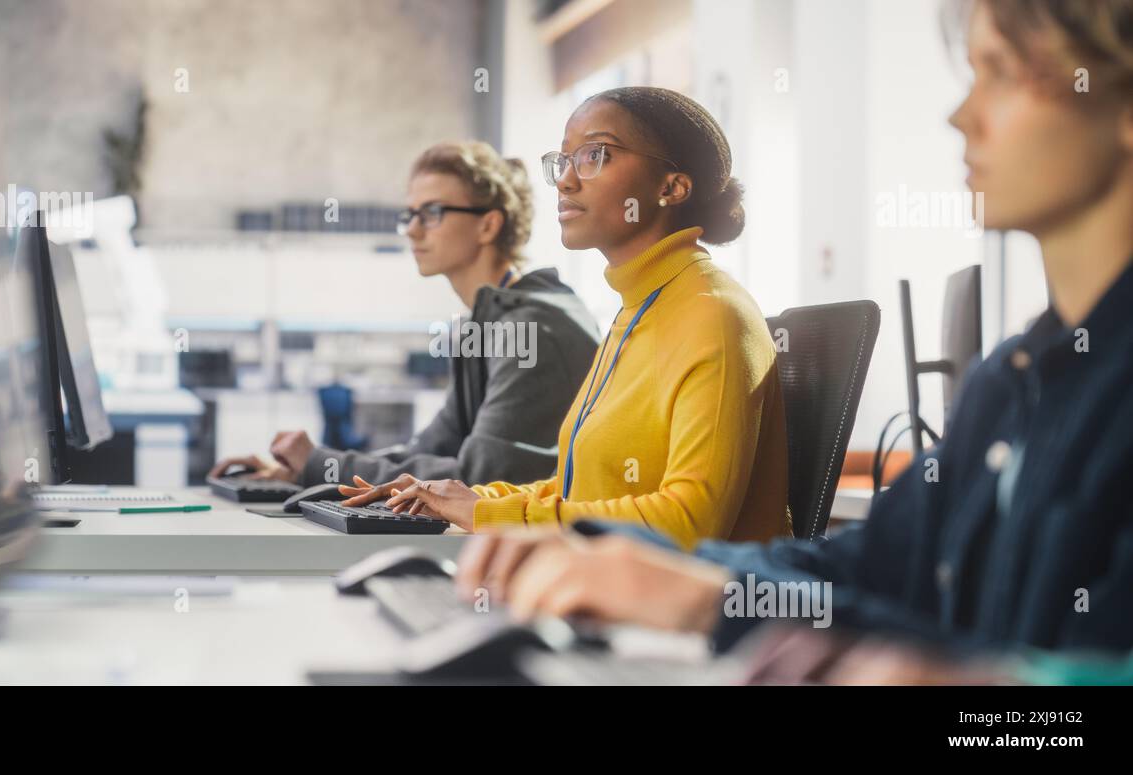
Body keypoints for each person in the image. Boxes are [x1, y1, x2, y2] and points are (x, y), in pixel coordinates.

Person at [454, 0, 1133, 658]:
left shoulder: (709, 311)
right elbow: (865, 567)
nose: (960, 115)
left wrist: (703, 596)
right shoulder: (1007, 385)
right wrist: (651, 570)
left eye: (1006, 72)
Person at [342, 87, 792, 549]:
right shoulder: (636, 313)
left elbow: (688, 522)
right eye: (563, 160)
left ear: (671, 187)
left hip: (685, 611)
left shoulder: (711, 313)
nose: (566, 181)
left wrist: (484, 512)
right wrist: (462, 497)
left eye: (596, 154)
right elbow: (575, 492)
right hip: (603, 587)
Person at [210, 141, 598, 488]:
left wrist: (323, 464)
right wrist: (305, 470)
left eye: (431, 213)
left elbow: (479, 482)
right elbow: (430, 448)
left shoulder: (530, 329)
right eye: (409, 215)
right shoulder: (484, 325)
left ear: (488, 224)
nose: (411, 230)